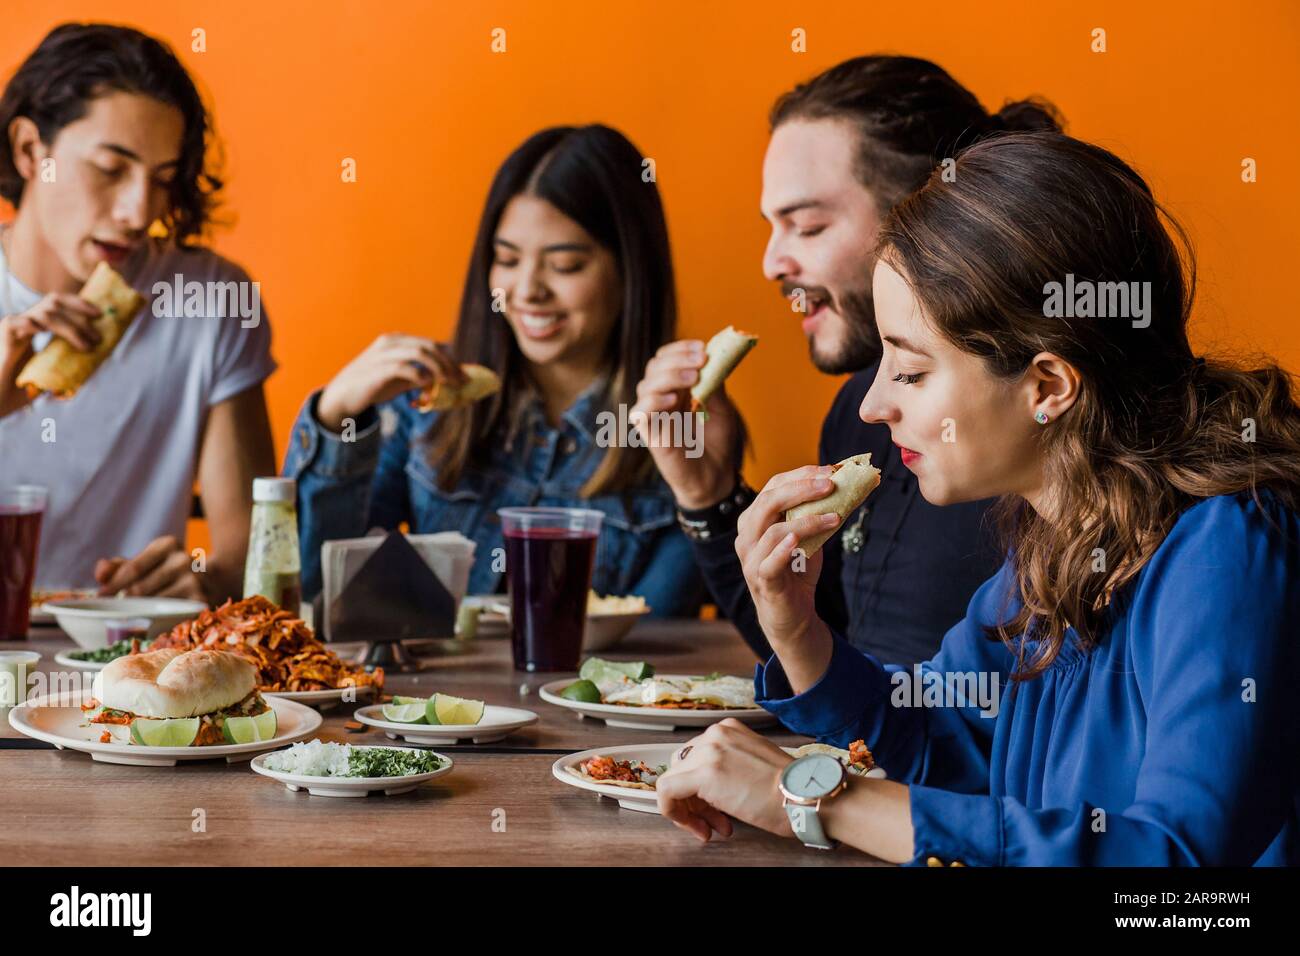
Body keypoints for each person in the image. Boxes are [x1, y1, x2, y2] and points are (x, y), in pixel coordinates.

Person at [654, 132, 1300, 866]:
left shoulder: (1230, 547)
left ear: (1048, 386)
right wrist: (794, 628)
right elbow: (936, 740)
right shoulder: (1060, 535)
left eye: (911, 370)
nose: (871, 407)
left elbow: (1175, 865)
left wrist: (812, 795)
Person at [632, 56, 1059, 663]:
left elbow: (980, 729)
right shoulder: (863, 414)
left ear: (926, 214)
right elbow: (826, 654)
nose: (771, 263)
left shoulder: (1016, 434)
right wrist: (709, 493)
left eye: (806, 226)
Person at [285, 125, 708, 616]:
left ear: (631, 271)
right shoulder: (427, 403)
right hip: (433, 696)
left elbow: (659, 646)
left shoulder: (682, 427)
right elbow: (310, 593)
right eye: (507, 259)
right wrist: (336, 415)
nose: (527, 289)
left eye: (566, 265)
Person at [0, 23, 276, 601]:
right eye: (110, 168)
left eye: (162, 181)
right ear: (31, 150)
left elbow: (252, 563)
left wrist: (199, 581)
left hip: (134, 666)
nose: (137, 211)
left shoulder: (212, 302)